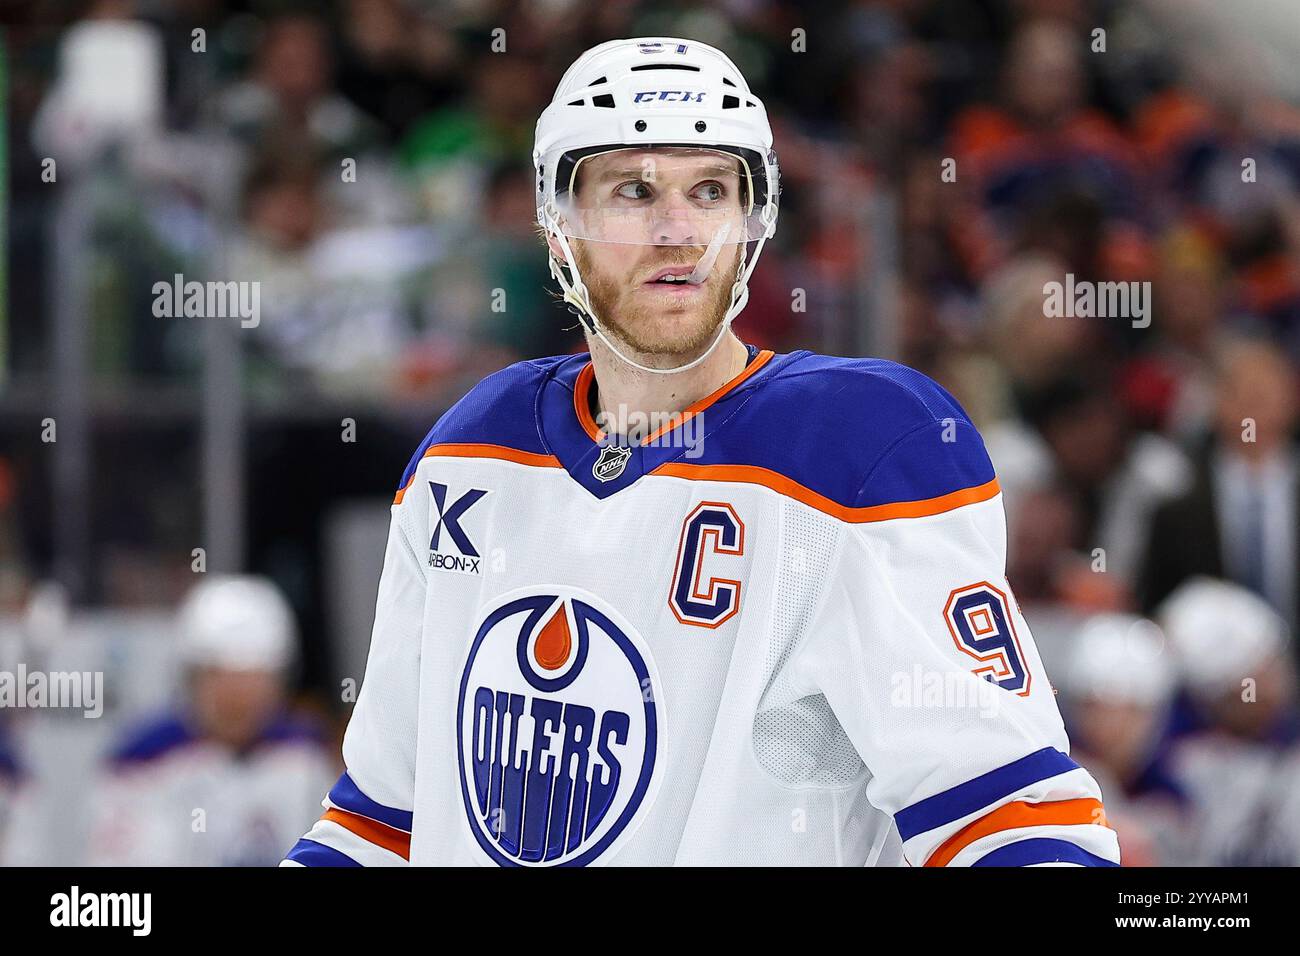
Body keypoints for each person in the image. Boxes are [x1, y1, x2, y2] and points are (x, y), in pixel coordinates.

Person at [285, 38, 1119, 867]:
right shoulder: (469, 452)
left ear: (751, 222)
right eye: (633, 190)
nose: (678, 232)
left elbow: (1010, 819)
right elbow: (383, 822)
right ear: (559, 222)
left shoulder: (857, 450)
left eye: (709, 190)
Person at [85, 576, 335, 866]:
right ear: (192, 679)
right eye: (222, 680)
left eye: (253, 683)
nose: (238, 701)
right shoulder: (141, 763)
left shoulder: (304, 757)